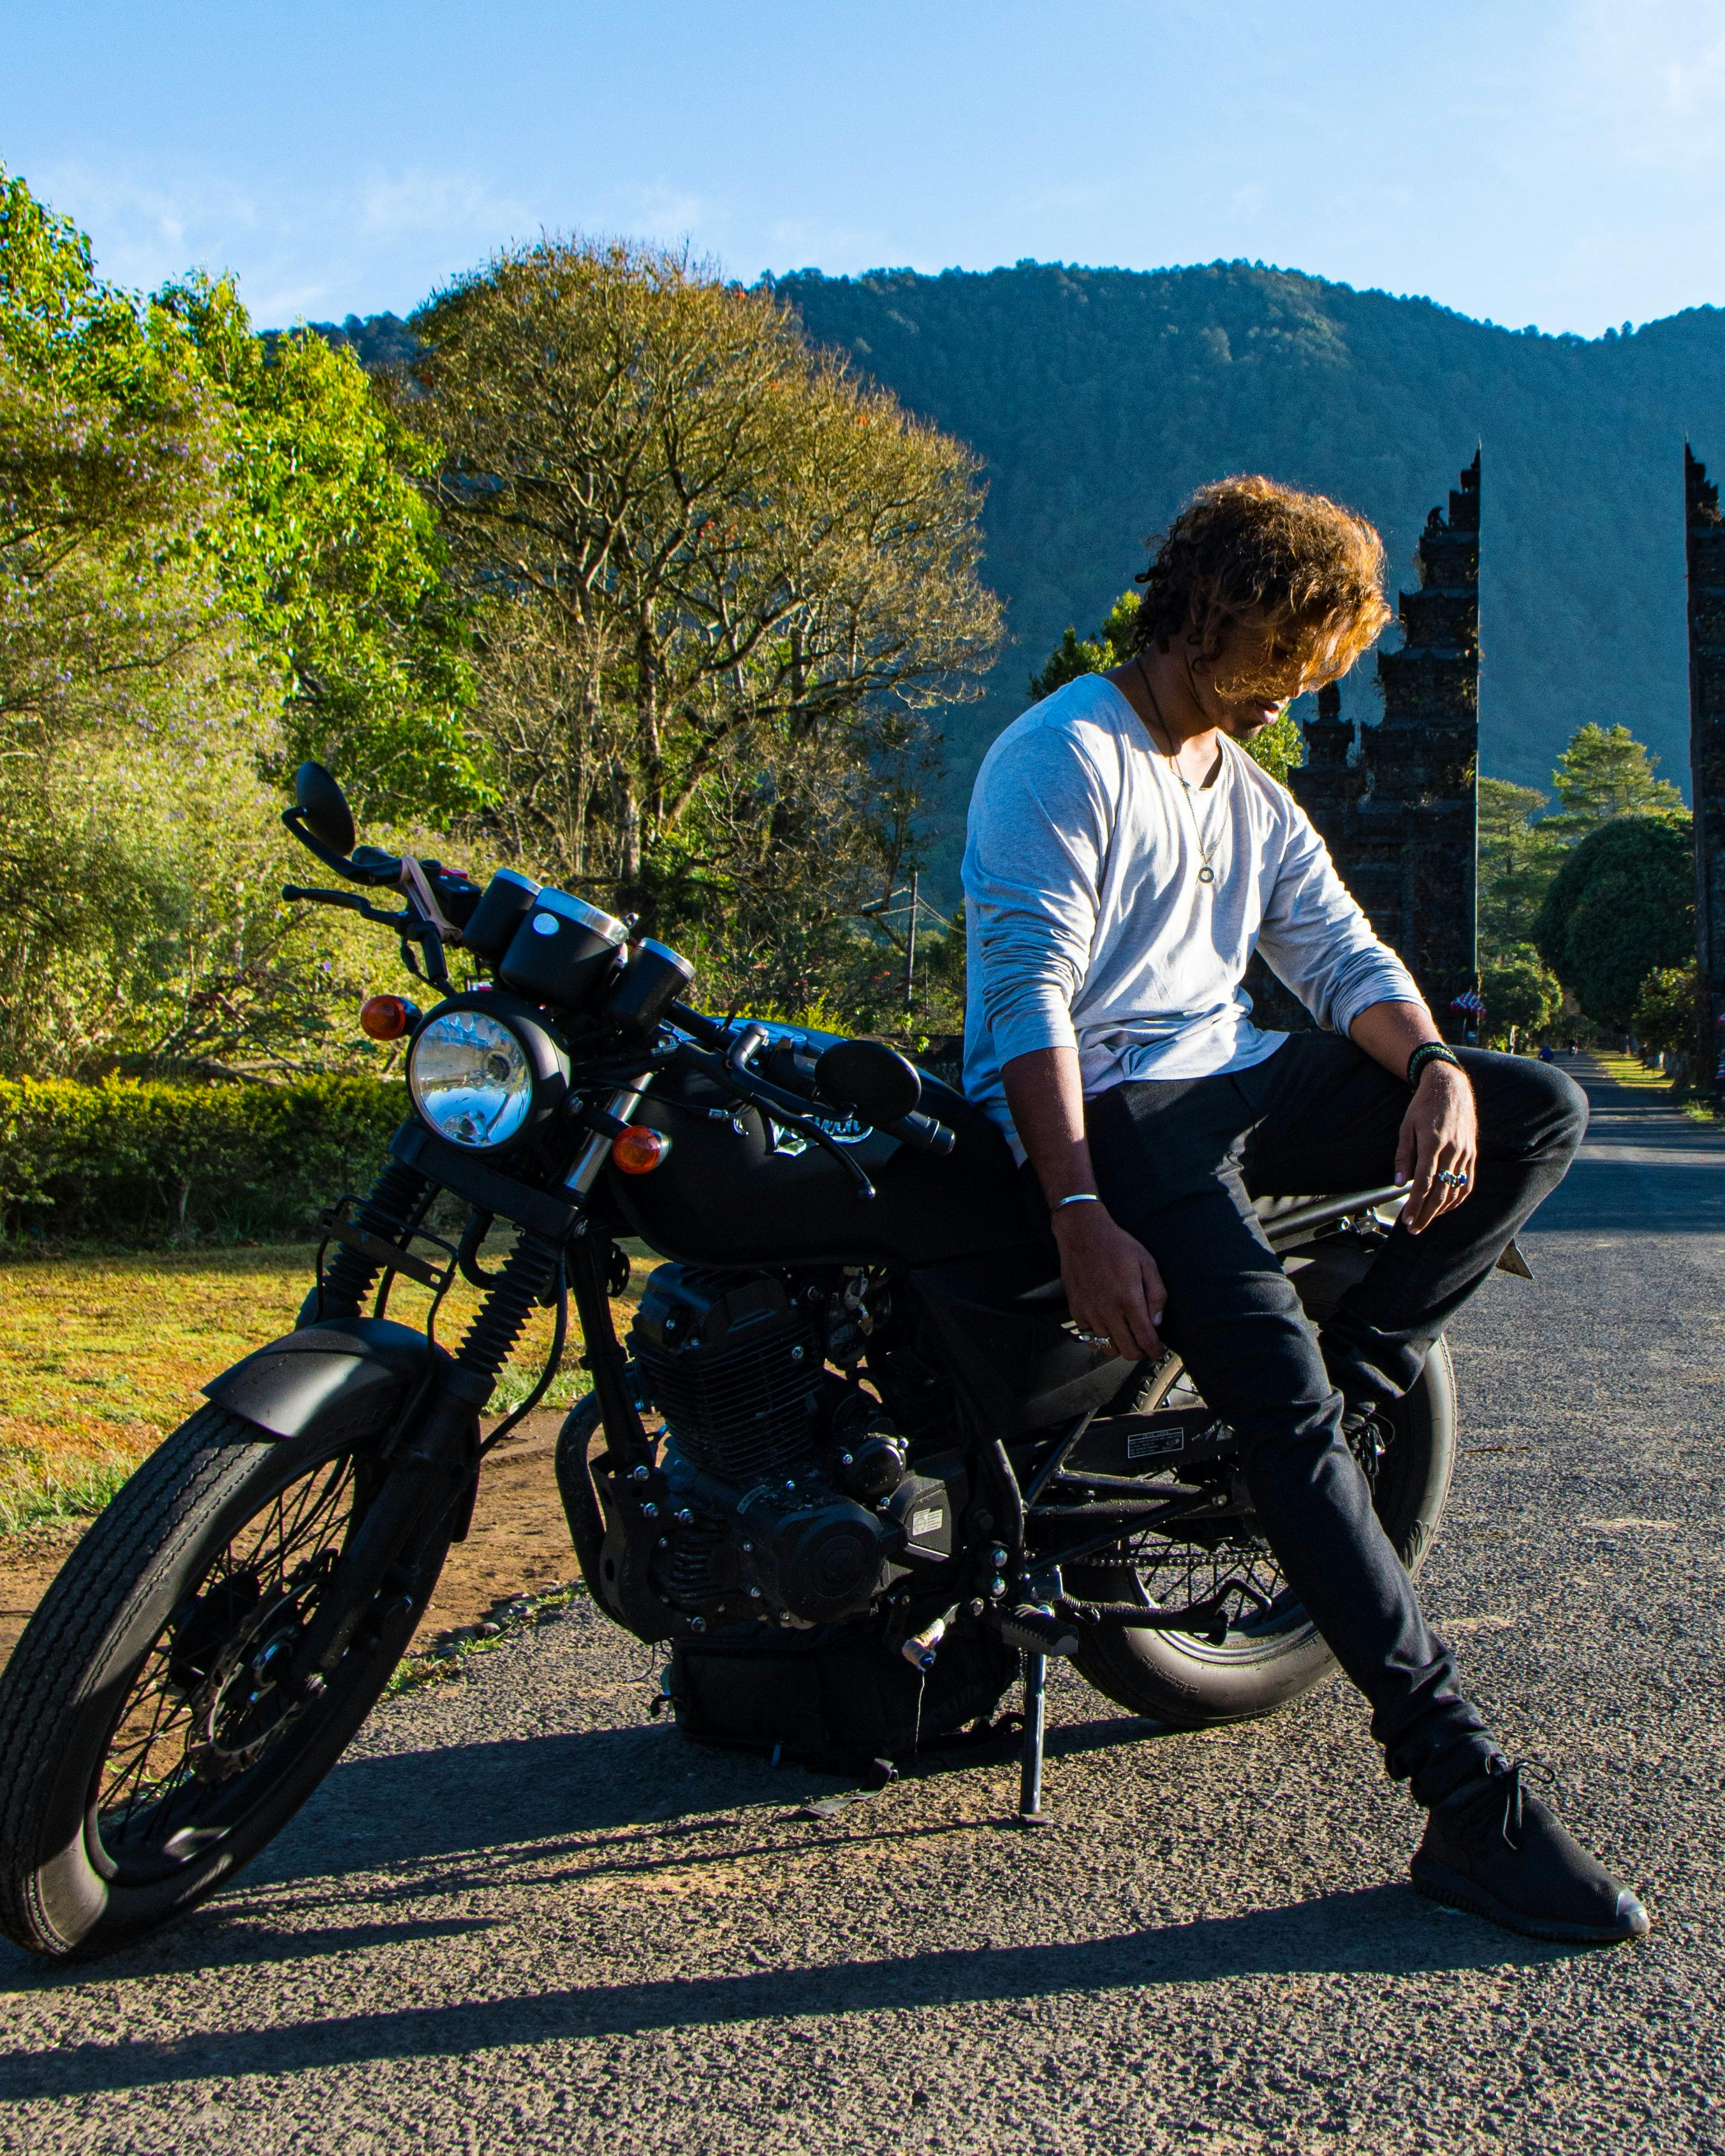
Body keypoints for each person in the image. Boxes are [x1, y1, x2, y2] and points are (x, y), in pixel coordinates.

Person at [962, 475, 1647, 1945]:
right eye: (1284, 656)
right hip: (1114, 1101)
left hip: (1233, 1071)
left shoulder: (1244, 787)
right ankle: (1469, 1801)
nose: (1295, 695)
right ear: (1211, 612)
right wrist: (1077, 1205)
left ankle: (1365, 1361)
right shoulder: (1066, 756)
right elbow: (1025, 994)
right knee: (1278, 1399)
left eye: (1315, 669)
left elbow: (1339, 951)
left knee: (1539, 1107)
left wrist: (1440, 1069)